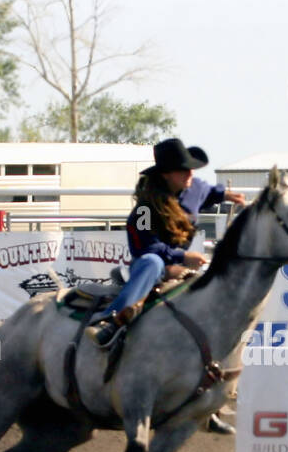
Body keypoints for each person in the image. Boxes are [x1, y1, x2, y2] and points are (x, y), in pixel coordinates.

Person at [90, 137, 245, 433]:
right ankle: (110, 321)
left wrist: (229, 195)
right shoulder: (146, 210)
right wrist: (181, 257)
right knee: (152, 262)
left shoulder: (195, 187)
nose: (190, 175)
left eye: (191, 169)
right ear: (166, 174)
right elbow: (147, 246)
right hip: (152, 265)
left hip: (180, 267)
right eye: (183, 170)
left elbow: (211, 192)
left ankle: (206, 407)